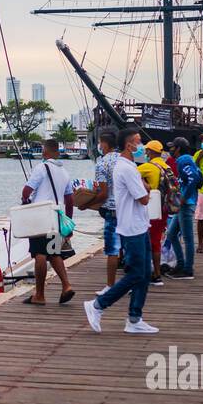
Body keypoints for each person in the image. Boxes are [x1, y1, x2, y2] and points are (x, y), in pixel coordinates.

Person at [84, 127, 156, 334]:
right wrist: (147, 189)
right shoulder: (126, 168)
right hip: (132, 228)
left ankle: (135, 318)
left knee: (144, 273)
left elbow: (141, 190)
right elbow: (143, 198)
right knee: (135, 274)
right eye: (138, 141)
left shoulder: (129, 165)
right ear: (129, 145)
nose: (141, 145)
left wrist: (144, 187)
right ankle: (98, 305)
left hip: (139, 225)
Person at [21, 138, 75, 305]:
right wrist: (68, 222)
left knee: (40, 254)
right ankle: (66, 286)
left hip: (40, 215)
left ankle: (39, 295)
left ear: (45, 152)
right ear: (57, 152)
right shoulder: (64, 172)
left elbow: (26, 190)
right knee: (54, 252)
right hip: (56, 216)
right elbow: (70, 199)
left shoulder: (41, 168)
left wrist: (25, 200)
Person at [89, 130, 122, 292]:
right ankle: (128, 283)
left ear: (105, 145)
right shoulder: (124, 160)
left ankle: (110, 285)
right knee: (127, 247)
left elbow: (103, 193)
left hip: (111, 210)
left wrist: (86, 203)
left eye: (100, 143)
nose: (99, 146)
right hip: (126, 210)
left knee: (112, 250)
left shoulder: (102, 164)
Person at [167, 137, 202, 279]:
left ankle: (188, 269)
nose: (171, 149)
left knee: (187, 238)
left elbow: (193, 178)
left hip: (186, 204)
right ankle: (181, 263)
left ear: (179, 148)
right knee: (171, 234)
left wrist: (183, 198)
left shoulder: (184, 160)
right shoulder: (187, 159)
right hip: (185, 204)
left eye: (173, 147)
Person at [137, 139, 168, 288]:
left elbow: (131, 176)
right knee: (157, 240)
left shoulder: (148, 166)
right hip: (164, 209)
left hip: (152, 208)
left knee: (152, 242)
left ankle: (155, 274)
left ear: (151, 152)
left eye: (147, 150)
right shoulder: (166, 166)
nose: (146, 152)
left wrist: (145, 183)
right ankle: (155, 273)